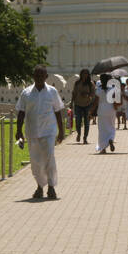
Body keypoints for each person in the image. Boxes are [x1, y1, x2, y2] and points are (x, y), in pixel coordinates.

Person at [15, 65, 66, 200]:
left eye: (41, 75)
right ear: (33, 77)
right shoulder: (26, 93)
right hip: (32, 132)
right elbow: (21, 112)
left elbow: (58, 111)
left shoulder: (52, 91)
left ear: (46, 77)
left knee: (49, 158)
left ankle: (51, 187)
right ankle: (39, 186)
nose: (38, 78)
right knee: (36, 162)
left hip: (49, 131)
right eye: (36, 75)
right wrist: (18, 130)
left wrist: (61, 131)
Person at [95, 73, 120, 154]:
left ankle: (103, 148)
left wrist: (92, 110)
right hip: (111, 109)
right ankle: (110, 139)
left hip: (101, 110)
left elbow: (96, 101)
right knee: (111, 126)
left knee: (102, 129)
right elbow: (116, 100)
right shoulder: (113, 88)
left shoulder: (99, 89)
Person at [71, 69, 95, 145]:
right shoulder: (77, 83)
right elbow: (74, 93)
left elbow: (93, 95)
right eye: (83, 74)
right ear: (81, 75)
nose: (85, 75)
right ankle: (78, 133)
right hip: (78, 104)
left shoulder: (91, 84)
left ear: (88, 75)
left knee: (86, 122)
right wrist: (71, 102)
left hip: (87, 105)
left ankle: (85, 138)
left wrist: (87, 95)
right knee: (78, 121)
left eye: (86, 74)